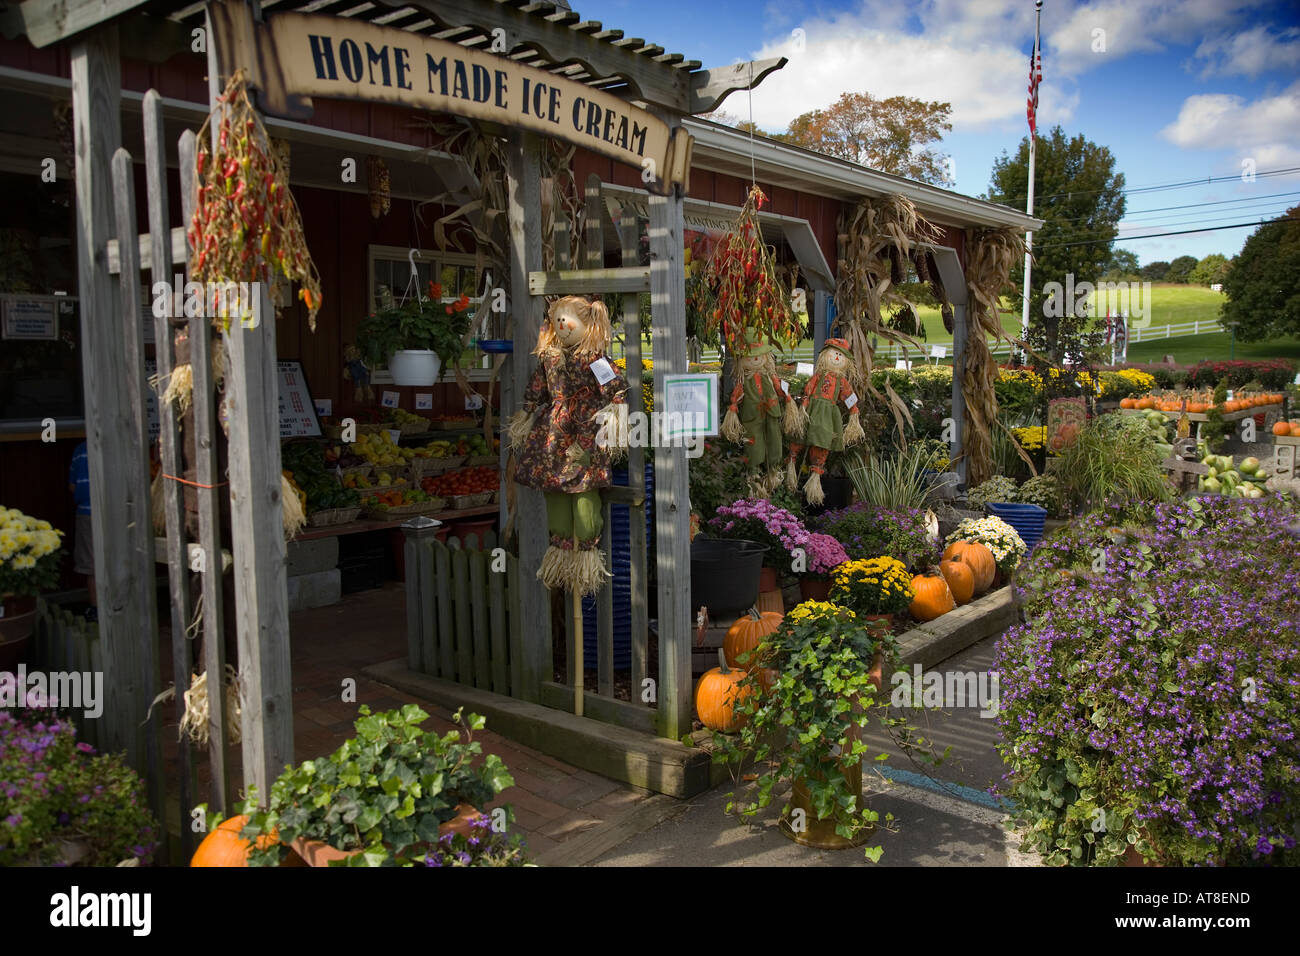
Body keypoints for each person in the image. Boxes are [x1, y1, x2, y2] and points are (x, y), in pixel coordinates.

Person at [67, 440, 96, 620]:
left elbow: (72, 486)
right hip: (118, 512)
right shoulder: (120, 444)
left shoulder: (81, 450)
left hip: (87, 513)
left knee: (91, 565)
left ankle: (95, 609)